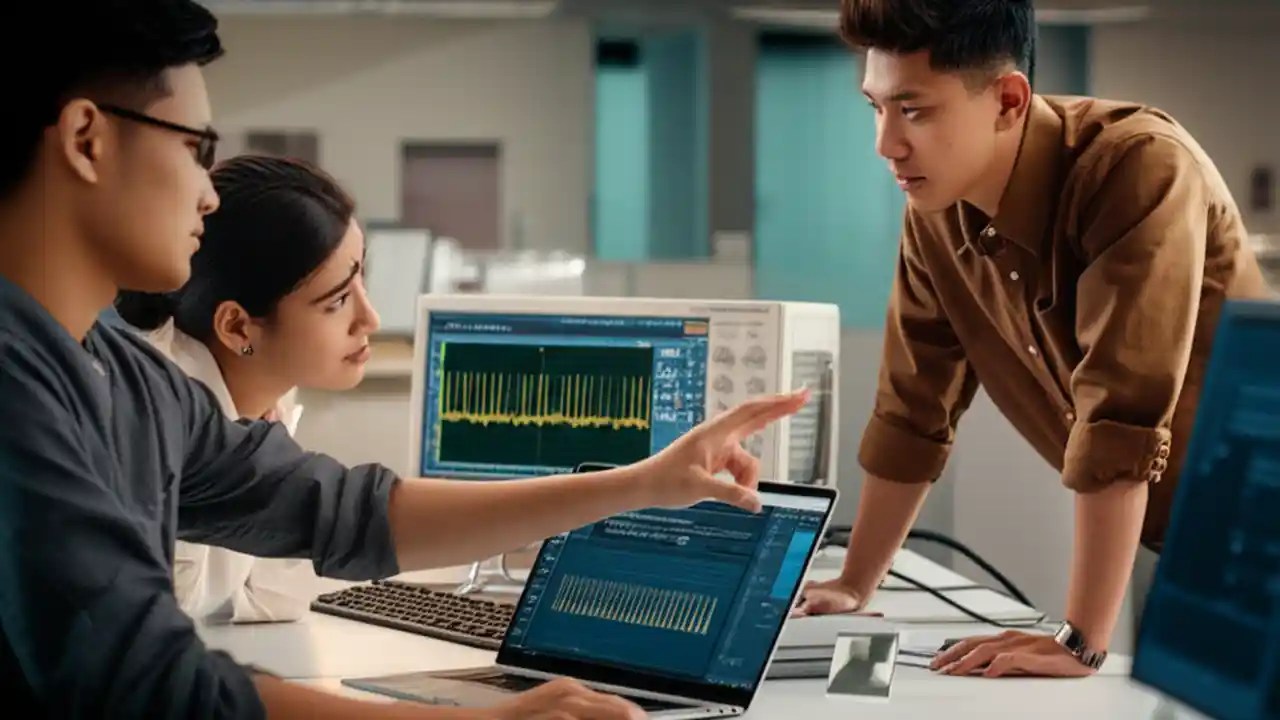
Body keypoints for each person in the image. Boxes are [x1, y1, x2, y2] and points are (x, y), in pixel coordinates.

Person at [0, 2, 808, 718]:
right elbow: (140, 681)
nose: (208, 193)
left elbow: (350, 514)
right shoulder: (15, 381)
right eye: (195, 147)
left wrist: (642, 484)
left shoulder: (121, 376)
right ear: (85, 138)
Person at [793, 0, 1272, 680]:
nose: (886, 143)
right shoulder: (935, 211)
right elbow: (912, 411)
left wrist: (1077, 640)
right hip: (1203, 548)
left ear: (1009, 100)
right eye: (876, 108)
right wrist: (854, 584)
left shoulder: (1135, 168)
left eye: (915, 110)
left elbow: (1120, 420)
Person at [114, 154, 379, 624]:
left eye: (361, 280)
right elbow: (172, 616)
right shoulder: (152, 419)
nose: (369, 318)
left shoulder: (267, 399)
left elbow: (275, 596)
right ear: (238, 328)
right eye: (338, 300)